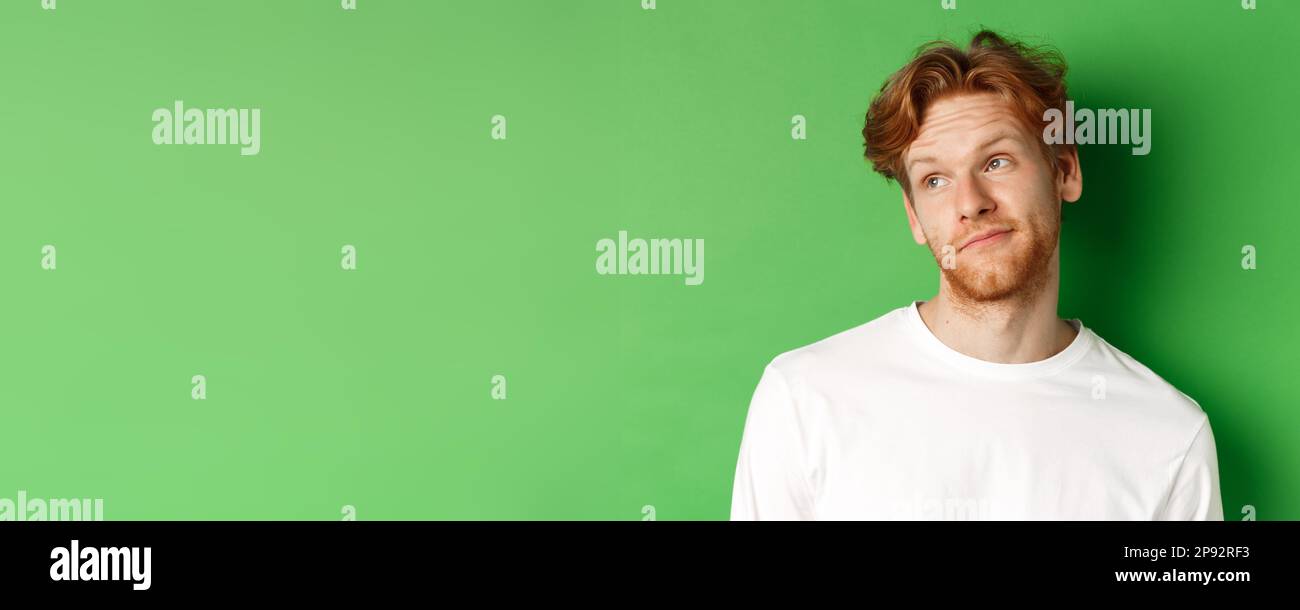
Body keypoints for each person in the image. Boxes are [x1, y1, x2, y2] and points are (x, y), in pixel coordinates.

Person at [730, 30, 1222, 520]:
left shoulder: (1168, 435)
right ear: (914, 216)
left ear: (1065, 170)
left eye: (997, 161)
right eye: (935, 180)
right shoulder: (804, 398)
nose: (970, 203)